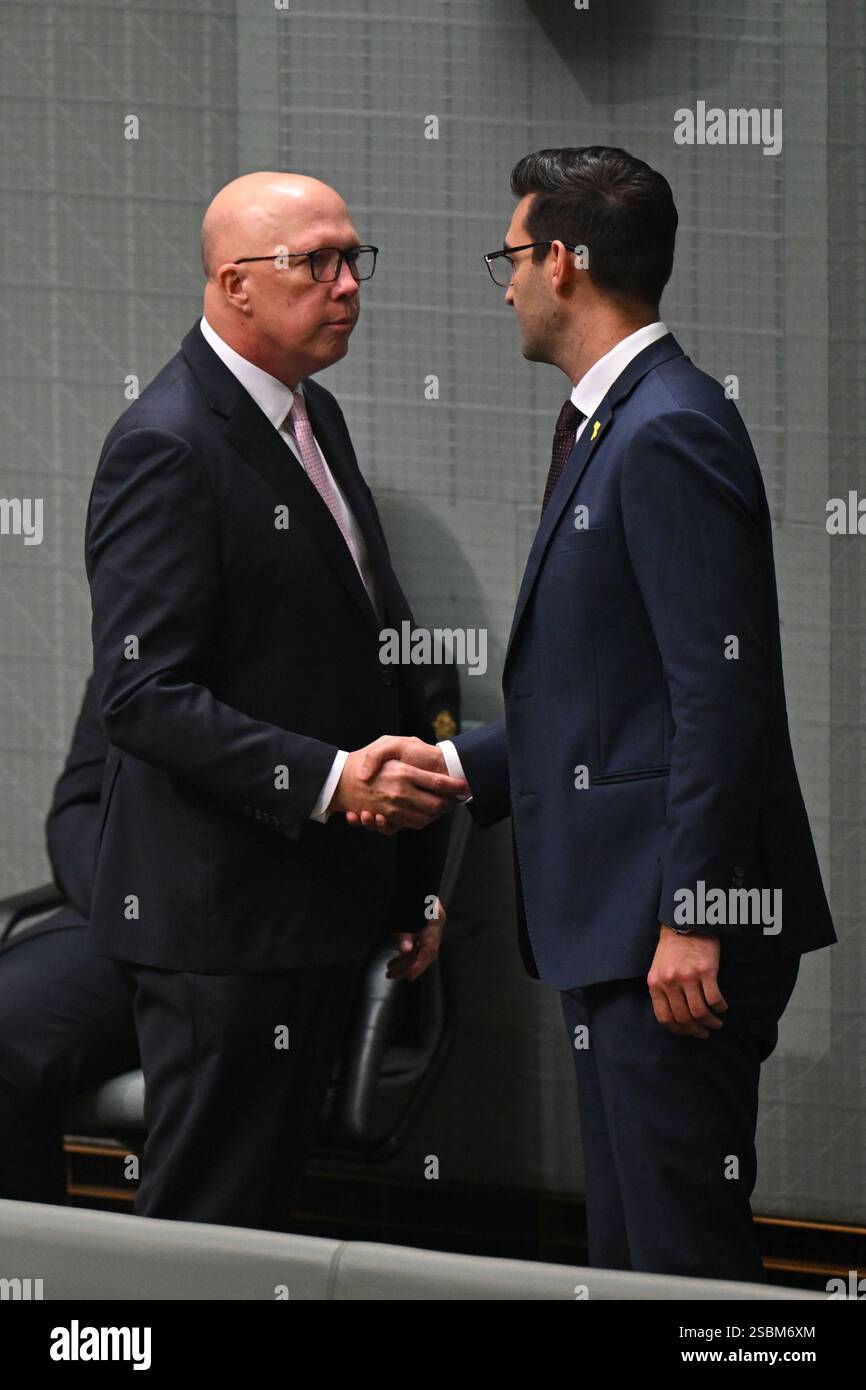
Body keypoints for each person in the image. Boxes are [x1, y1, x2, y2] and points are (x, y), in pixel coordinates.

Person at [355, 147, 837, 1281]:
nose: (508, 283)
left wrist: (693, 912)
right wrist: (451, 768)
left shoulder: (663, 426)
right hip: (621, 929)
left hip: (667, 937)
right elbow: (603, 699)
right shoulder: (609, 421)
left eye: (513, 257)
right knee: (631, 1260)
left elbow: (719, 694)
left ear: (565, 263)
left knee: (680, 1265)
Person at [84, 171, 467, 1231]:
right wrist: (336, 780)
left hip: (316, 907)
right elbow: (142, 695)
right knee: (208, 1226)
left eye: (355, 258)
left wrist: (411, 884)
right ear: (234, 286)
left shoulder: (313, 415)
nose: (347, 285)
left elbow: (368, 655)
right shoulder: (166, 443)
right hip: (222, 925)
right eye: (318, 263)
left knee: (262, 1224)